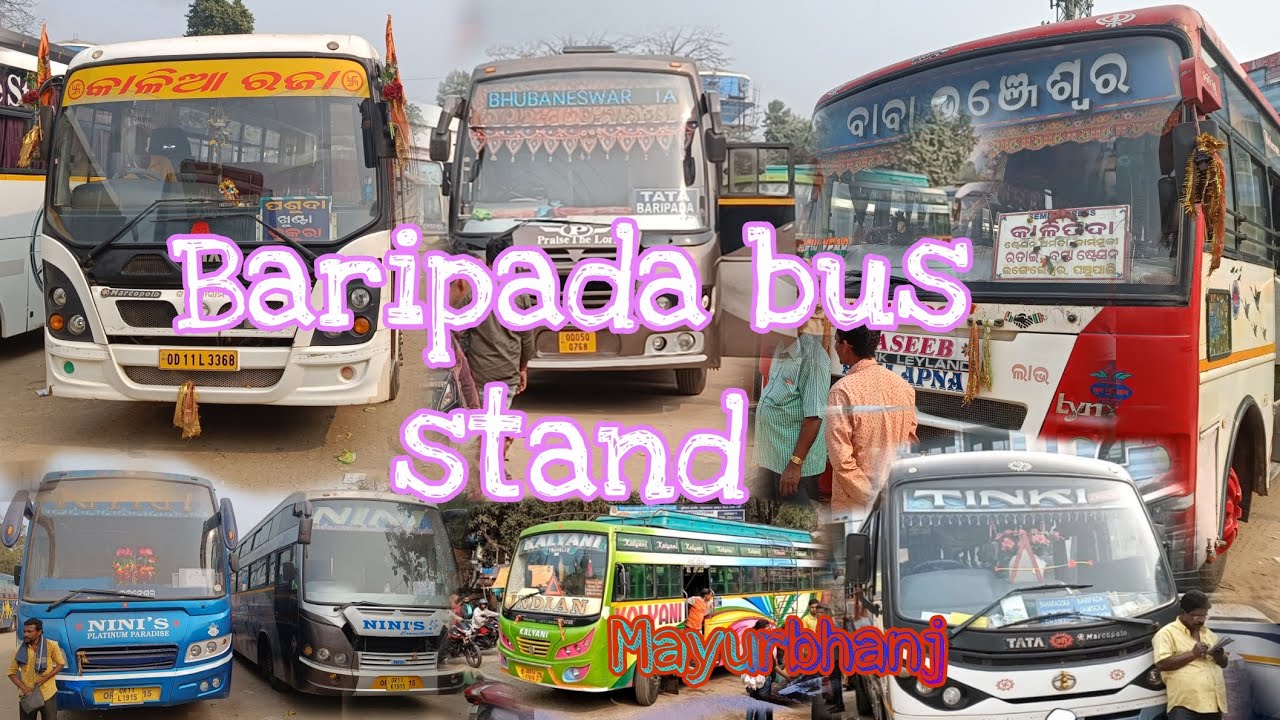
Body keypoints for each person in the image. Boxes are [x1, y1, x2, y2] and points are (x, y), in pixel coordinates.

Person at [459, 237, 535, 479]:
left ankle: (483, 467)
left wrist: (463, 366)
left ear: (489, 262)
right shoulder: (520, 293)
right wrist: (523, 367)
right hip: (507, 373)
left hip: (479, 372)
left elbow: (461, 333)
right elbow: (527, 338)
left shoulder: (474, 291)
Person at [825, 327, 918, 519]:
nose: (834, 347)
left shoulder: (842, 391)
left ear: (846, 345)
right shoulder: (903, 387)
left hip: (855, 507)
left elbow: (841, 460)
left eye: (836, 341)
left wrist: (873, 496)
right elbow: (910, 444)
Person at [752, 311, 830, 509]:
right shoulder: (780, 347)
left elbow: (814, 418)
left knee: (794, 527)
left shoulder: (813, 359)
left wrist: (794, 465)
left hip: (794, 470)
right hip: (772, 461)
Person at [1153, 590, 1229, 720]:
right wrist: (1193, 654)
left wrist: (1220, 657)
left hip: (1214, 703)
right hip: (1185, 706)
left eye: (1204, 616)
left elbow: (1224, 664)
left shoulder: (1209, 634)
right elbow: (1161, 664)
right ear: (1183, 613)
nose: (1201, 620)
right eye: (1197, 616)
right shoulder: (1166, 633)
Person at [8, 618, 66, 720]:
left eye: (29, 631)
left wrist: (46, 678)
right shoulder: (18, 651)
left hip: (48, 693)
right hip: (27, 694)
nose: (26, 634)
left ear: (39, 632)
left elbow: (60, 664)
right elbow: (11, 672)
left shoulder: (51, 645)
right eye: (24, 631)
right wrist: (23, 688)